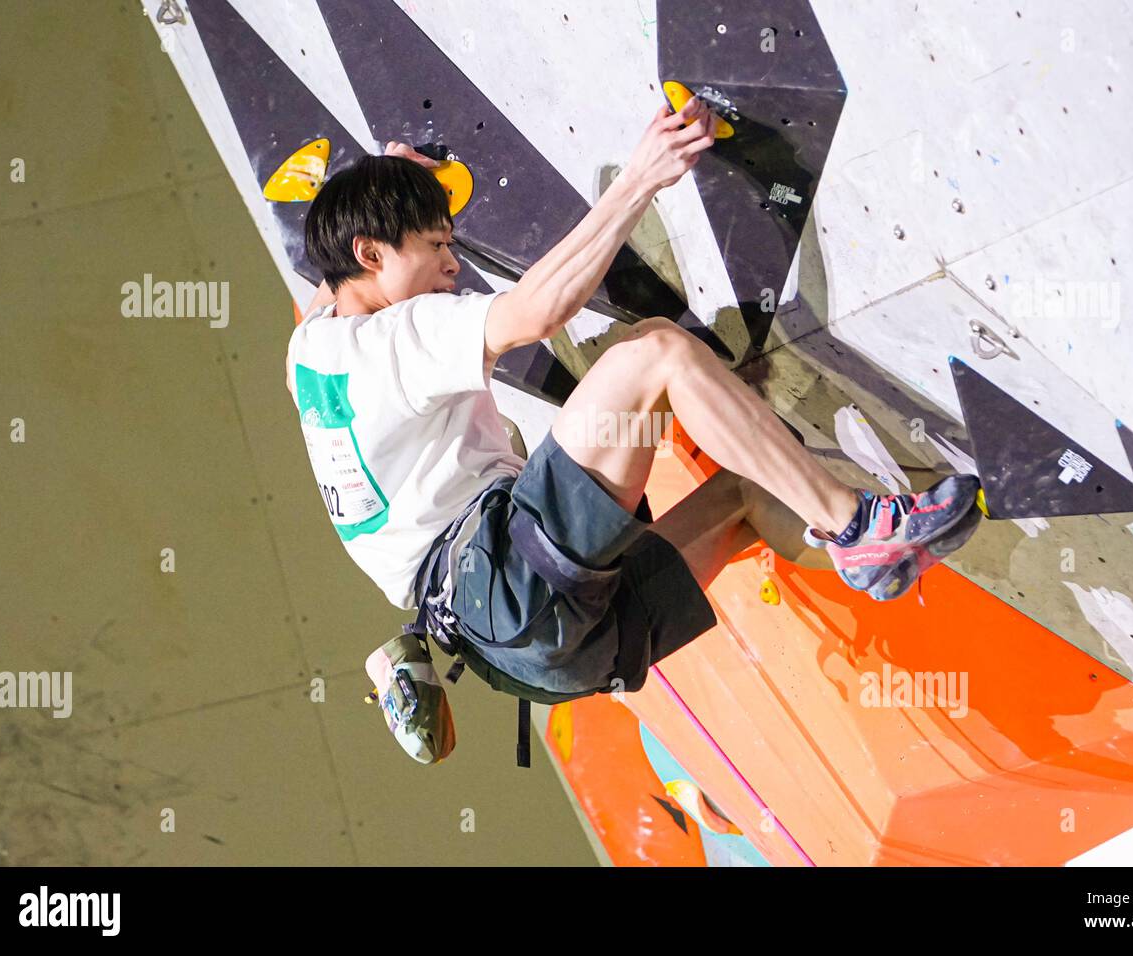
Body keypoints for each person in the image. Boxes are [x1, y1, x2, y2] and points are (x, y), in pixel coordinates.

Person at [287, 96, 982, 703]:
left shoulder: (313, 351)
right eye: (437, 245)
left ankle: (899, 561)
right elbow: (533, 314)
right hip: (507, 582)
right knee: (656, 352)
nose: (451, 265)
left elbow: (333, 274)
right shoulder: (396, 336)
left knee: (751, 483)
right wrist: (643, 177)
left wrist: (391, 176)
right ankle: (858, 531)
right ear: (373, 255)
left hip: (543, 656)